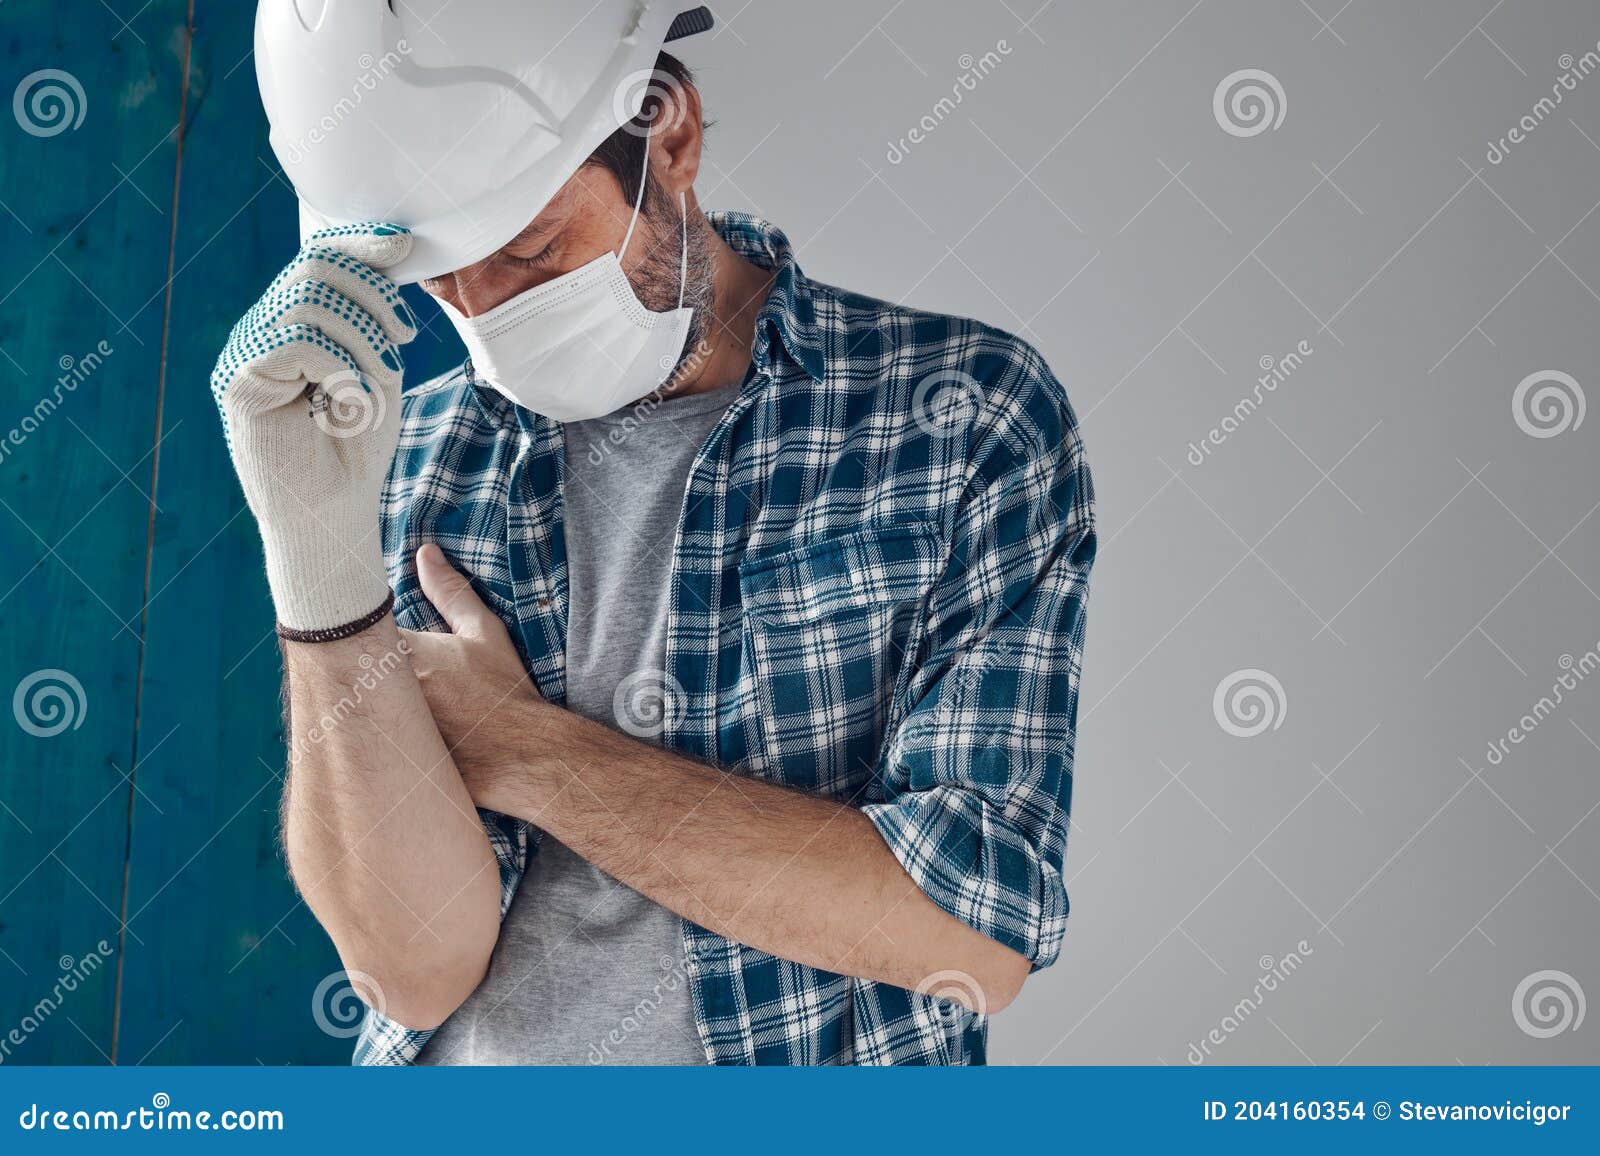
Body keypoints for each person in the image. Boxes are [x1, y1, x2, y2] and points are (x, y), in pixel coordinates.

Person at [212, 0, 1095, 1065]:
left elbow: (972, 927)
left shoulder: (957, 413)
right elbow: (413, 970)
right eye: (441, 277)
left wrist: (521, 747)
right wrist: (316, 567)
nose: (486, 312)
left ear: (668, 133)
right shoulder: (421, 449)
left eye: (531, 252)